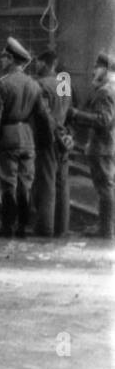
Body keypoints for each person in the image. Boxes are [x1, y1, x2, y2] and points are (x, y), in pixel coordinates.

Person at [0, 37, 50, 237]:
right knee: (25, 185)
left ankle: (6, 226)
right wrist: (45, 142)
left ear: (11, 59)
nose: (1, 60)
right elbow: (43, 117)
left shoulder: (3, 84)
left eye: (3, 57)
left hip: (7, 138)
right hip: (28, 140)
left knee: (8, 184)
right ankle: (21, 227)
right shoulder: (34, 85)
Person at [64, 52, 114, 240]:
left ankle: (106, 229)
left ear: (106, 70)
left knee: (105, 188)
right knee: (106, 187)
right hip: (108, 146)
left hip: (103, 147)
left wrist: (76, 114)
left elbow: (104, 120)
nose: (94, 71)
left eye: (97, 67)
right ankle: (104, 226)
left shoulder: (105, 91)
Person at [31, 50, 71, 237]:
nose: (36, 65)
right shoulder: (64, 84)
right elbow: (67, 111)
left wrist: (54, 134)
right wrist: (65, 135)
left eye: (38, 62)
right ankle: (61, 228)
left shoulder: (40, 85)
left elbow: (45, 115)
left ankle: (45, 228)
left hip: (47, 139)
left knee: (46, 183)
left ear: (45, 63)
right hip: (64, 140)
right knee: (62, 184)